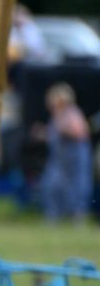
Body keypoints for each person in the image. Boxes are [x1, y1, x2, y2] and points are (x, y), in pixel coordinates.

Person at [40, 82, 93, 224]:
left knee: (77, 187)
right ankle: (53, 217)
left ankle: (78, 218)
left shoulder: (72, 113)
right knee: (52, 185)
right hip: (59, 159)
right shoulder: (56, 115)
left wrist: (64, 129)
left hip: (74, 158)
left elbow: (80, 132)